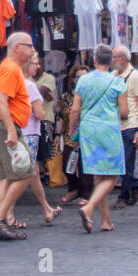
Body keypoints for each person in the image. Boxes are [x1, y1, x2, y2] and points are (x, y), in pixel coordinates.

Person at [69, 44, 129, 233]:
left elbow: (75, 109)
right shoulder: (118, 82)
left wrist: (72, 129)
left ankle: (106, 221)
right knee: (112, 174)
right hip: (109, 129)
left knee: (98, 176)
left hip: (88, 129)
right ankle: (89, 207)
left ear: (94, 60)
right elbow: (125, 113)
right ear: (111, 61)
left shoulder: (83, 80)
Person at [0, 31, 37, 240]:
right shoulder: (10, 69)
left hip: (0, 125)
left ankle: (3, 221)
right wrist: (12, 131)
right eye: (29, 46)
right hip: (4, 126)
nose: (32, 50)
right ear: (17, 48)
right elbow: (1, 101)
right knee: (26, 172)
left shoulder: (10, 68)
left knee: (6, 176)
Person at [14, 50, 61, 228]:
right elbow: (40, 113)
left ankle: (46, 209)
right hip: (30, 132)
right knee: (23, 174)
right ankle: (5, 211)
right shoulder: (30, 85)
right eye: (35, 63)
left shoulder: (16, 82)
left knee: (33, 172)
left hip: (20, 131)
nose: (38, 66)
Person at [112, 45, 138, 208]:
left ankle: (124, 196)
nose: (112, 61)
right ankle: (135, 185)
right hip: (116, 125)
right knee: (120, 161)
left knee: (126, 161)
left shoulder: (135, 76)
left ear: (123, 59)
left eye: (114, 57)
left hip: (131, 124)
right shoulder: (113, 75)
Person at [59, 66, 93, 207]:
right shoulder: (66, 97)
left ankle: (86, 194)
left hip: (87, 134)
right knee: (67, 164)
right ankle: (73, 189)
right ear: (73, 79)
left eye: (84, 77)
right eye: (78, 77)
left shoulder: (91, 95)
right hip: (70, 134)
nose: (81, 80)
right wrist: (57, 134)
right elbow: (61, 117)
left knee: (84, 166)